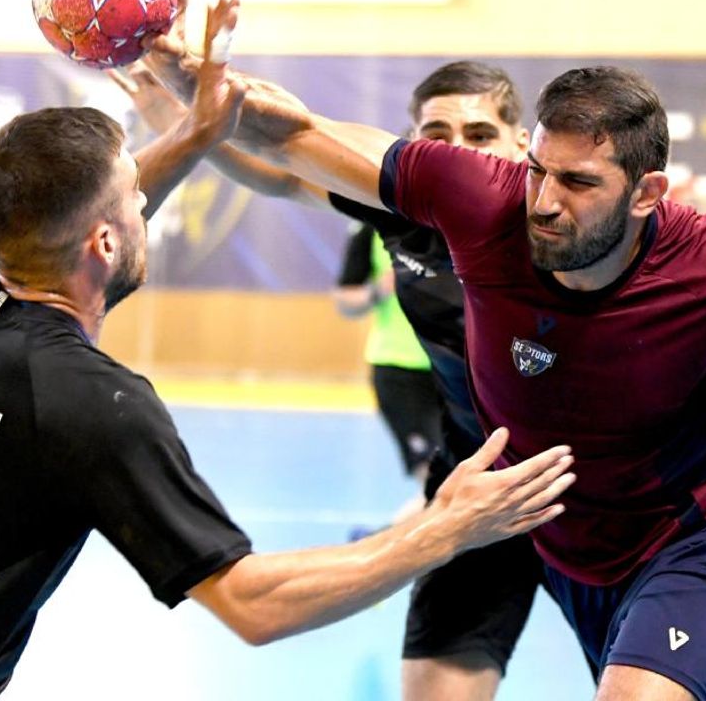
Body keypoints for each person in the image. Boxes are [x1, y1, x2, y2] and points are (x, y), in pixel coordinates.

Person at [145, 0, 706, 701]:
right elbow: (297, 138)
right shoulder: (477, 200)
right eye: (537, 170)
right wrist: (191, 74)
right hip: (546, 518)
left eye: (578, 183)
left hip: (696, 531)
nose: (544, 202)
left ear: (647, 195)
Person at [0, 1, 576, 701]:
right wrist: (444, 528)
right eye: (136, 196)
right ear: (105, 239)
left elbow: (75, 217)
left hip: (603, 492)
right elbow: (253, 603)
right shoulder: (93, 402)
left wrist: (194, 136)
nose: (147, 200)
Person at [114, 57, 572, 701]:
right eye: (436, 136)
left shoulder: (564, 230)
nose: (457, 152)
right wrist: (194, 125)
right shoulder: (400, 212)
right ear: (409, 147)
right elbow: (279, 170)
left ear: (520, 146)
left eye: (478, 135)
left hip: (589, 491)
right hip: (473, 489)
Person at [334, 221, 443, 493]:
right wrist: (378, 290)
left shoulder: (455, 219)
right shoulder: (370, 226)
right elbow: (345, 299)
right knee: (435, 477)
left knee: (459, 473)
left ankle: (384, 533)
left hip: (456, 369)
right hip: (398, 369)